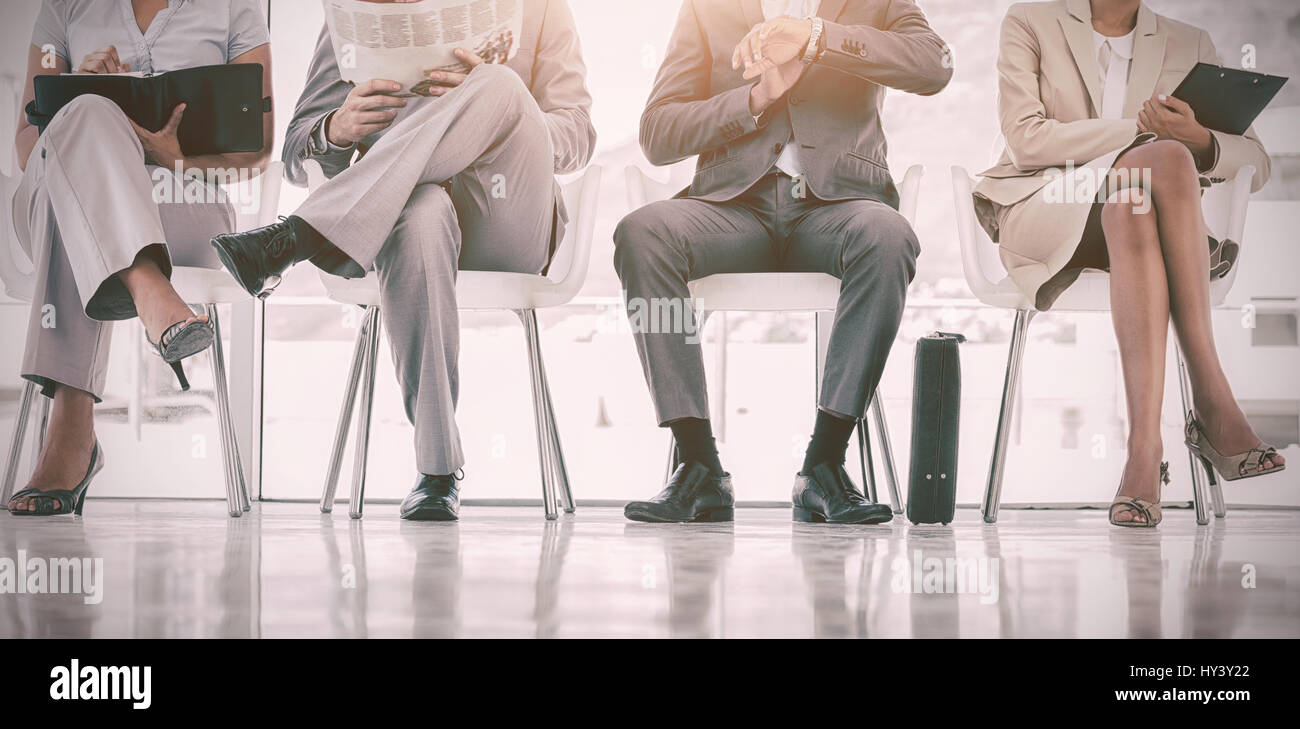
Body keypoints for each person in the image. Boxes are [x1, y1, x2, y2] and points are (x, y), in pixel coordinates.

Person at [211, 0, 595, 521]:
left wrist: (490, 115)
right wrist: (336, 128)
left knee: (499, 86)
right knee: (419, 214)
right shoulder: (361, 13)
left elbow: (579, 133)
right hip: (404, 208)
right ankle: (437, 470)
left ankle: (297, 235)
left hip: (508, 213)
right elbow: (299, 150)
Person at [614, 0, 952, 524]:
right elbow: (659, 134)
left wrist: (817, 36)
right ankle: (699, 465)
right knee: (642, 232)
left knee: (888, 235)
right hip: (733, 210)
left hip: (836, 209)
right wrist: (755, 97)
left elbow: (933, 67)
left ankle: (824, 464)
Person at [972, 0, 1285, 528]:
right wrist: (1149, 137)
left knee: (1132, 207)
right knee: (1162, 160)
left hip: (1137, 212)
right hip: (1048, 201)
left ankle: (1143, 454)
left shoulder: (1190, 43)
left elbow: (1256, 162)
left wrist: (1201, 141)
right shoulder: (1030, 21)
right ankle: (1212, 400)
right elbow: (1026, 139)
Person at [6, 0, 273, 517]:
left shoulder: (233, 10)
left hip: (185, 203)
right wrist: (73, 111)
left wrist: (179, 160)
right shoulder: (62, 10)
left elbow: (257, 148)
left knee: (77, 197)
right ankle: (152, 289)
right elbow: (24, 148)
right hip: (55, 200)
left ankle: (71, 437)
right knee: (84, 120)